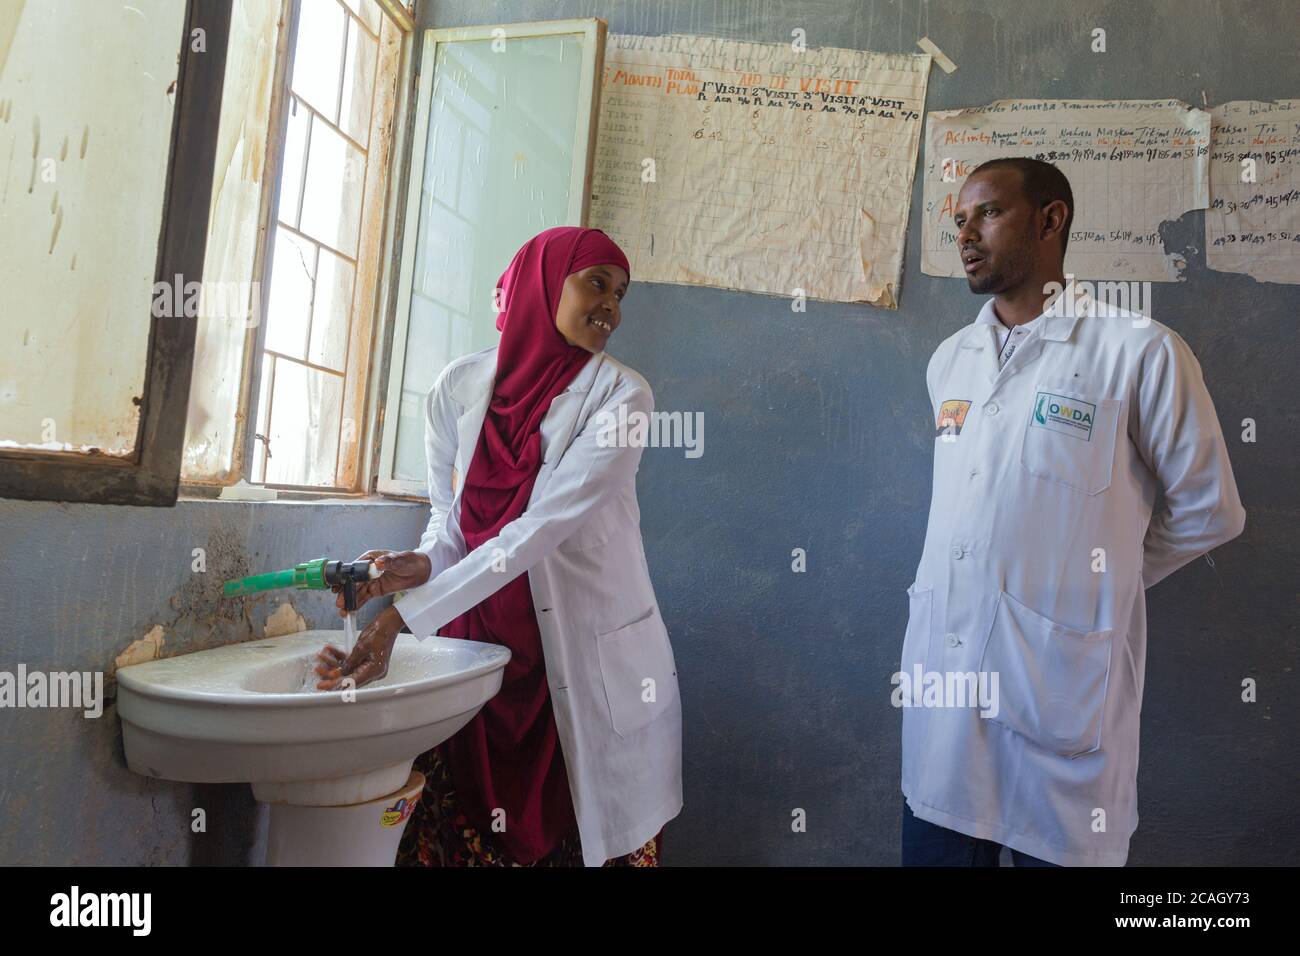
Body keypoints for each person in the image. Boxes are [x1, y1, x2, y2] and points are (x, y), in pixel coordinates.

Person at [900, 158, 1246, 866]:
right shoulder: (949, 362)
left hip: (1060, 700)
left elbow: (1212, 511)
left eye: (988, 213)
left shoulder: (1139, 351)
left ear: (1051, 220)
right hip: (947, 694)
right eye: (959, 219)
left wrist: (1098, 577)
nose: (966, 233)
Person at [314, 226, 682, 867]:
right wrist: (423, 563)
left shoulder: (624, 398)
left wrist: (398, 620)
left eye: (621, 294)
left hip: (577, 663)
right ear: (543, 282)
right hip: (477, 656)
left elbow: (536, 532)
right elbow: (451, 523)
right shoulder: (457, 389)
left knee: (583, 831)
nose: (612, 308)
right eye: (597, 283)